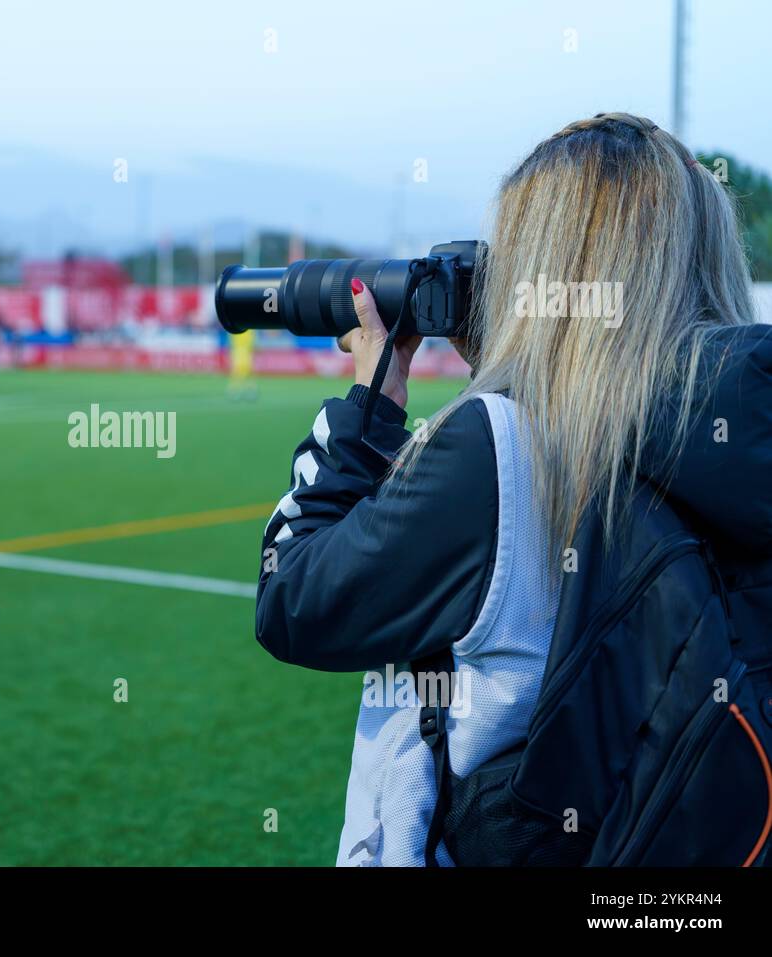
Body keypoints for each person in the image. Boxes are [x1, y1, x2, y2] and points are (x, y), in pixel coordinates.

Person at [254, 113, 772, 866]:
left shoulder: (493, 450)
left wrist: (368, 404)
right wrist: (516, 365)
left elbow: (293, 599)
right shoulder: (735, 433)